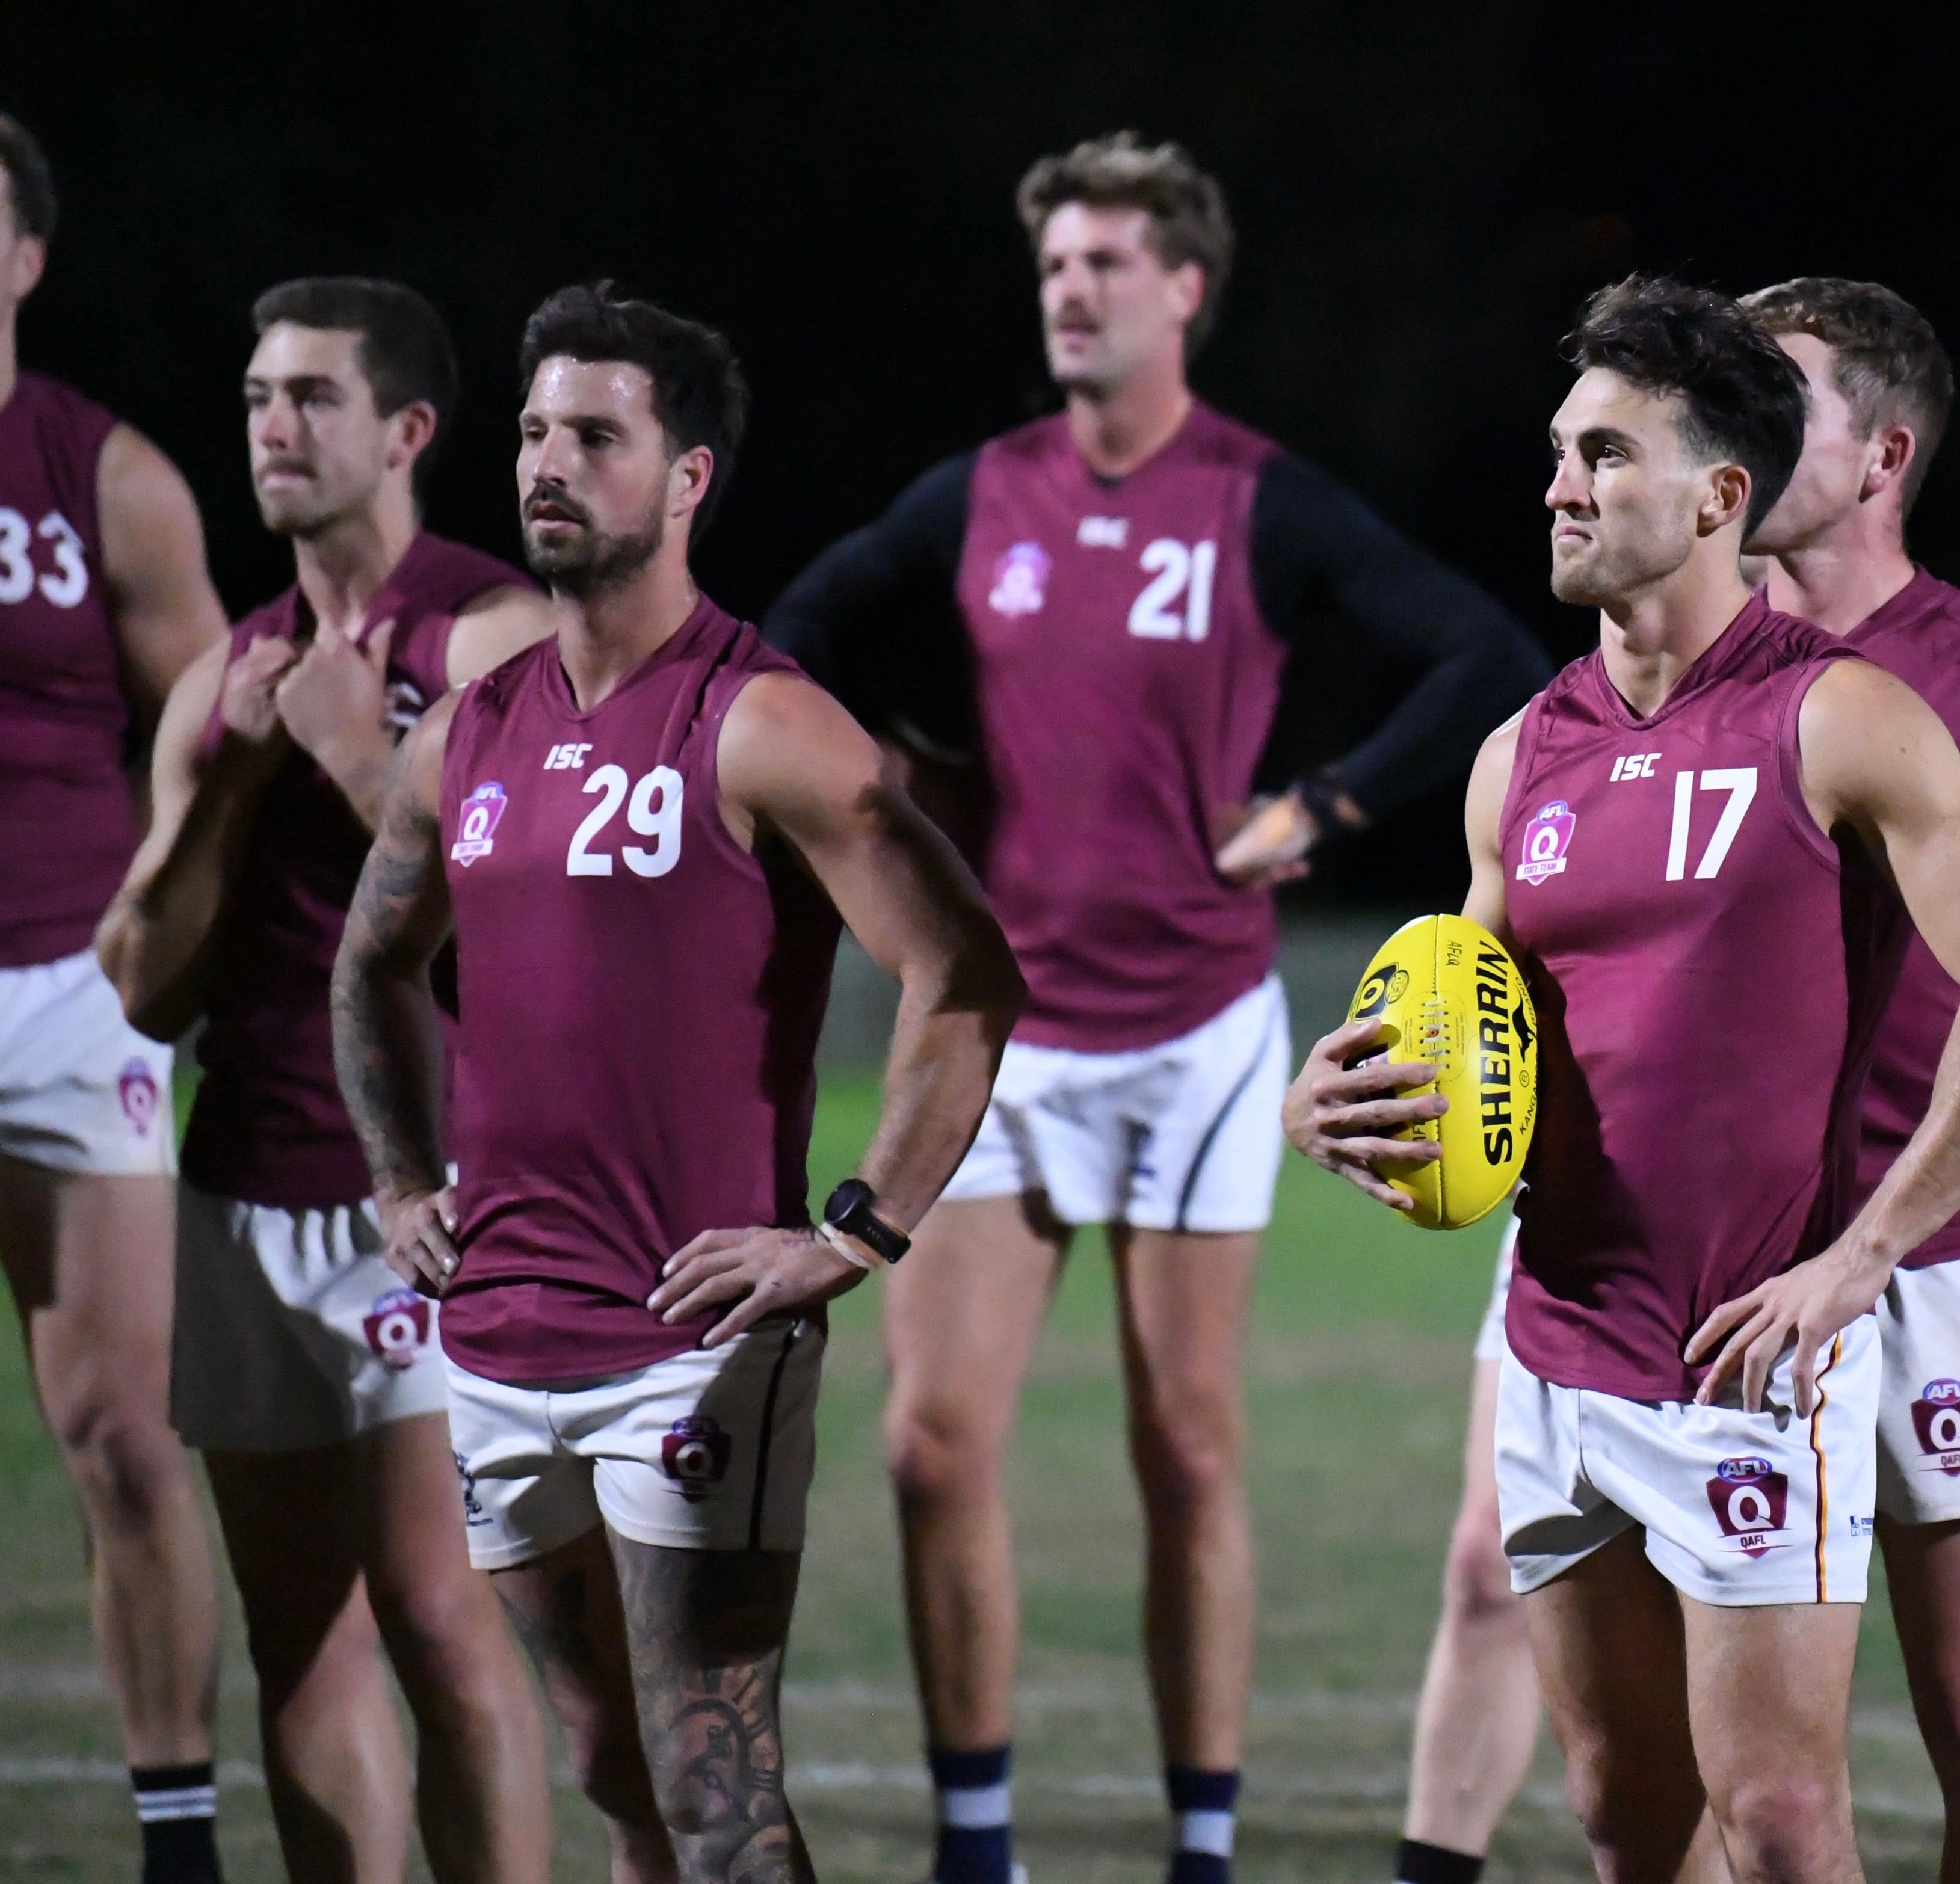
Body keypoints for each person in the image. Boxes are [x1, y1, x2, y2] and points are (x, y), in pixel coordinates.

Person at [759, 132, 1547, 1884]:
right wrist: (896, 775)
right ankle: (979, 1845)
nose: (1073, 289)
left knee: (1185, 1452)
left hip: (1196, 1036)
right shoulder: (984, 493)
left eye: (1107, 261)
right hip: (1006, 1034)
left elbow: (1483, 655)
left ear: (1186, 288)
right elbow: (793, 634)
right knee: (930, 1444)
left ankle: (1201, 1848)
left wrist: (1330, 801)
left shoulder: (1259, 498)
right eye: (1055, 263)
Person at [1287, 277, 1960, 1884]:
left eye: (1605, 455)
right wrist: (1345, 1100)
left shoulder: (1839, 714)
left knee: (1783, 1820)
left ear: (1721, 497)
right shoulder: (1522, 754)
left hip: (1744, 1362)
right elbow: (1467, 1021)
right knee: (1624, 1818)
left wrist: (1862, 1258)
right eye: (1560, 452)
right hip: (1559, 1349)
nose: (1560, 488)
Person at [331, 284, 1025, 1884]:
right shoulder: (465, 737)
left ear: (690, 477)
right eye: (532, 432)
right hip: (496, 1334)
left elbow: (968, 973)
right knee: (611, 1769)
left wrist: (853, 1234)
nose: (546, 464)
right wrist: (400, 1177)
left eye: (596, 435)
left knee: (719, 1796)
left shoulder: (760, 720)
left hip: (689, 1347)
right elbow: (371, 964)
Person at [96, 276, 558, 1884]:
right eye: (255, 398)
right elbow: (143, 984)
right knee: (299, 1631)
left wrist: (365, 758)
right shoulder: (229, 673)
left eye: (311, 397)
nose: (272, 427)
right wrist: (233, 778)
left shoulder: (493, 639)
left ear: (408, 431)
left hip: (430, 1197)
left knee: (438, 1611)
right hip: (244, 1190)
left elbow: (538, 931)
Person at [0, 109, 235, 1884]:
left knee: (126, 1437)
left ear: (24, 259)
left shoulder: (108, 478)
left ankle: (176, 1843)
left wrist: (182, 943)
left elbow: (211, 736)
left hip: (74, 994)